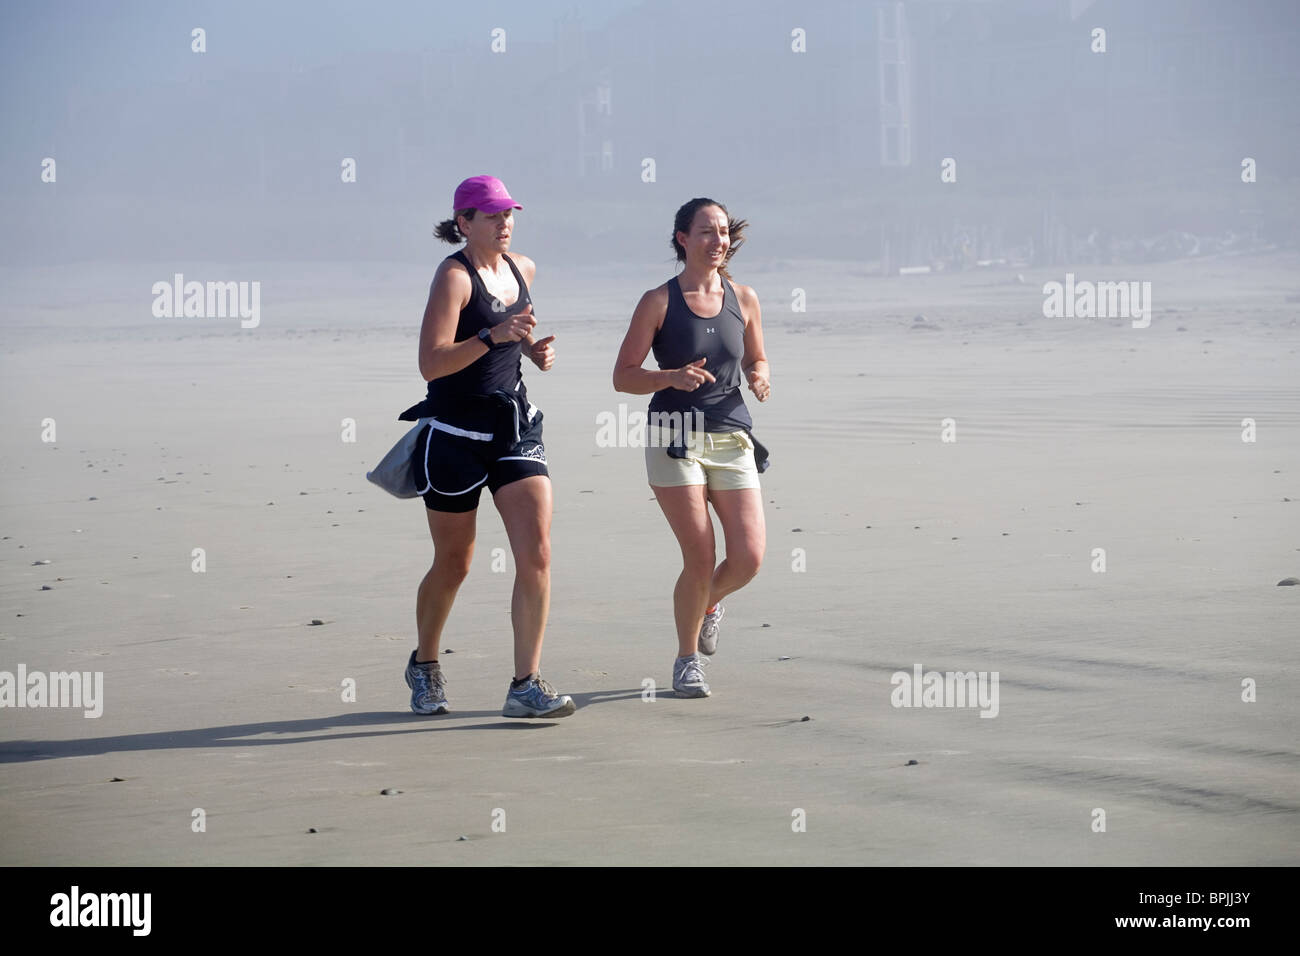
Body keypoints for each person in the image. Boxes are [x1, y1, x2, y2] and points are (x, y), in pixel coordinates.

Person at [398, 175, 574, 718]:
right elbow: (431, 363)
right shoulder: (453, 277)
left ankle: (526, 685)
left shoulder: (523, 268)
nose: (505, 223)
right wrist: (490, 339)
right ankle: (425, 664)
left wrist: (532, 350)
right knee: (455, 562)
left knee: (537, 552)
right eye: (492, 215)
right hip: (453, 434)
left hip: (514, 428)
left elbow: (513, 333)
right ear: (464, 222)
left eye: (509, 214)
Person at [612, 198, 771, 698]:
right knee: (700, 556)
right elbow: (624, 377)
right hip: (673, 436)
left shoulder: (743, 297)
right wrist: (671, 377)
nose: (717, 240)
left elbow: (758, 359)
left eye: (723, 231)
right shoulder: (658, 301)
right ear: (682, 239)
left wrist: (759, 376)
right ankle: (686, 661)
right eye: (706, 231)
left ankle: (707, 605)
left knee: (748, 558)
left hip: (730, 434)